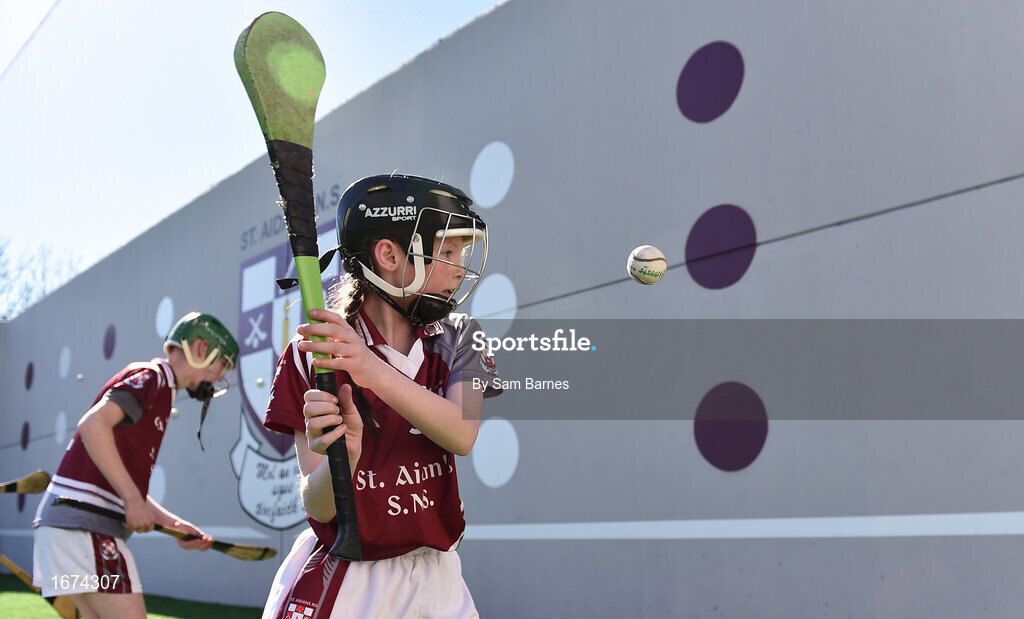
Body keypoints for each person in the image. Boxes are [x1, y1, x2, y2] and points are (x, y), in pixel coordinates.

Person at [263, 174, 502, 618]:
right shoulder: (312, 352)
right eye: (446, 251)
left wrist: (370, 368)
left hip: (440, 580)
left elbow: (463, 432)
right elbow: (317, 505)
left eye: (461, 254)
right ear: (389, 254)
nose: (458, 267)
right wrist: (344, 457)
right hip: (350, 577)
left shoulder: (461, 336)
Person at [32, 312, 239, 619]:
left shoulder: (161, 390)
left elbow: (118, 480)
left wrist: (172, 524)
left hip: (62, 530)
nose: (219, 376)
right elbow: (92, 426)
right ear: (199, 348)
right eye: (221, 365)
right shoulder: (154, 376)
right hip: (85, 529)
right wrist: (131, 501)